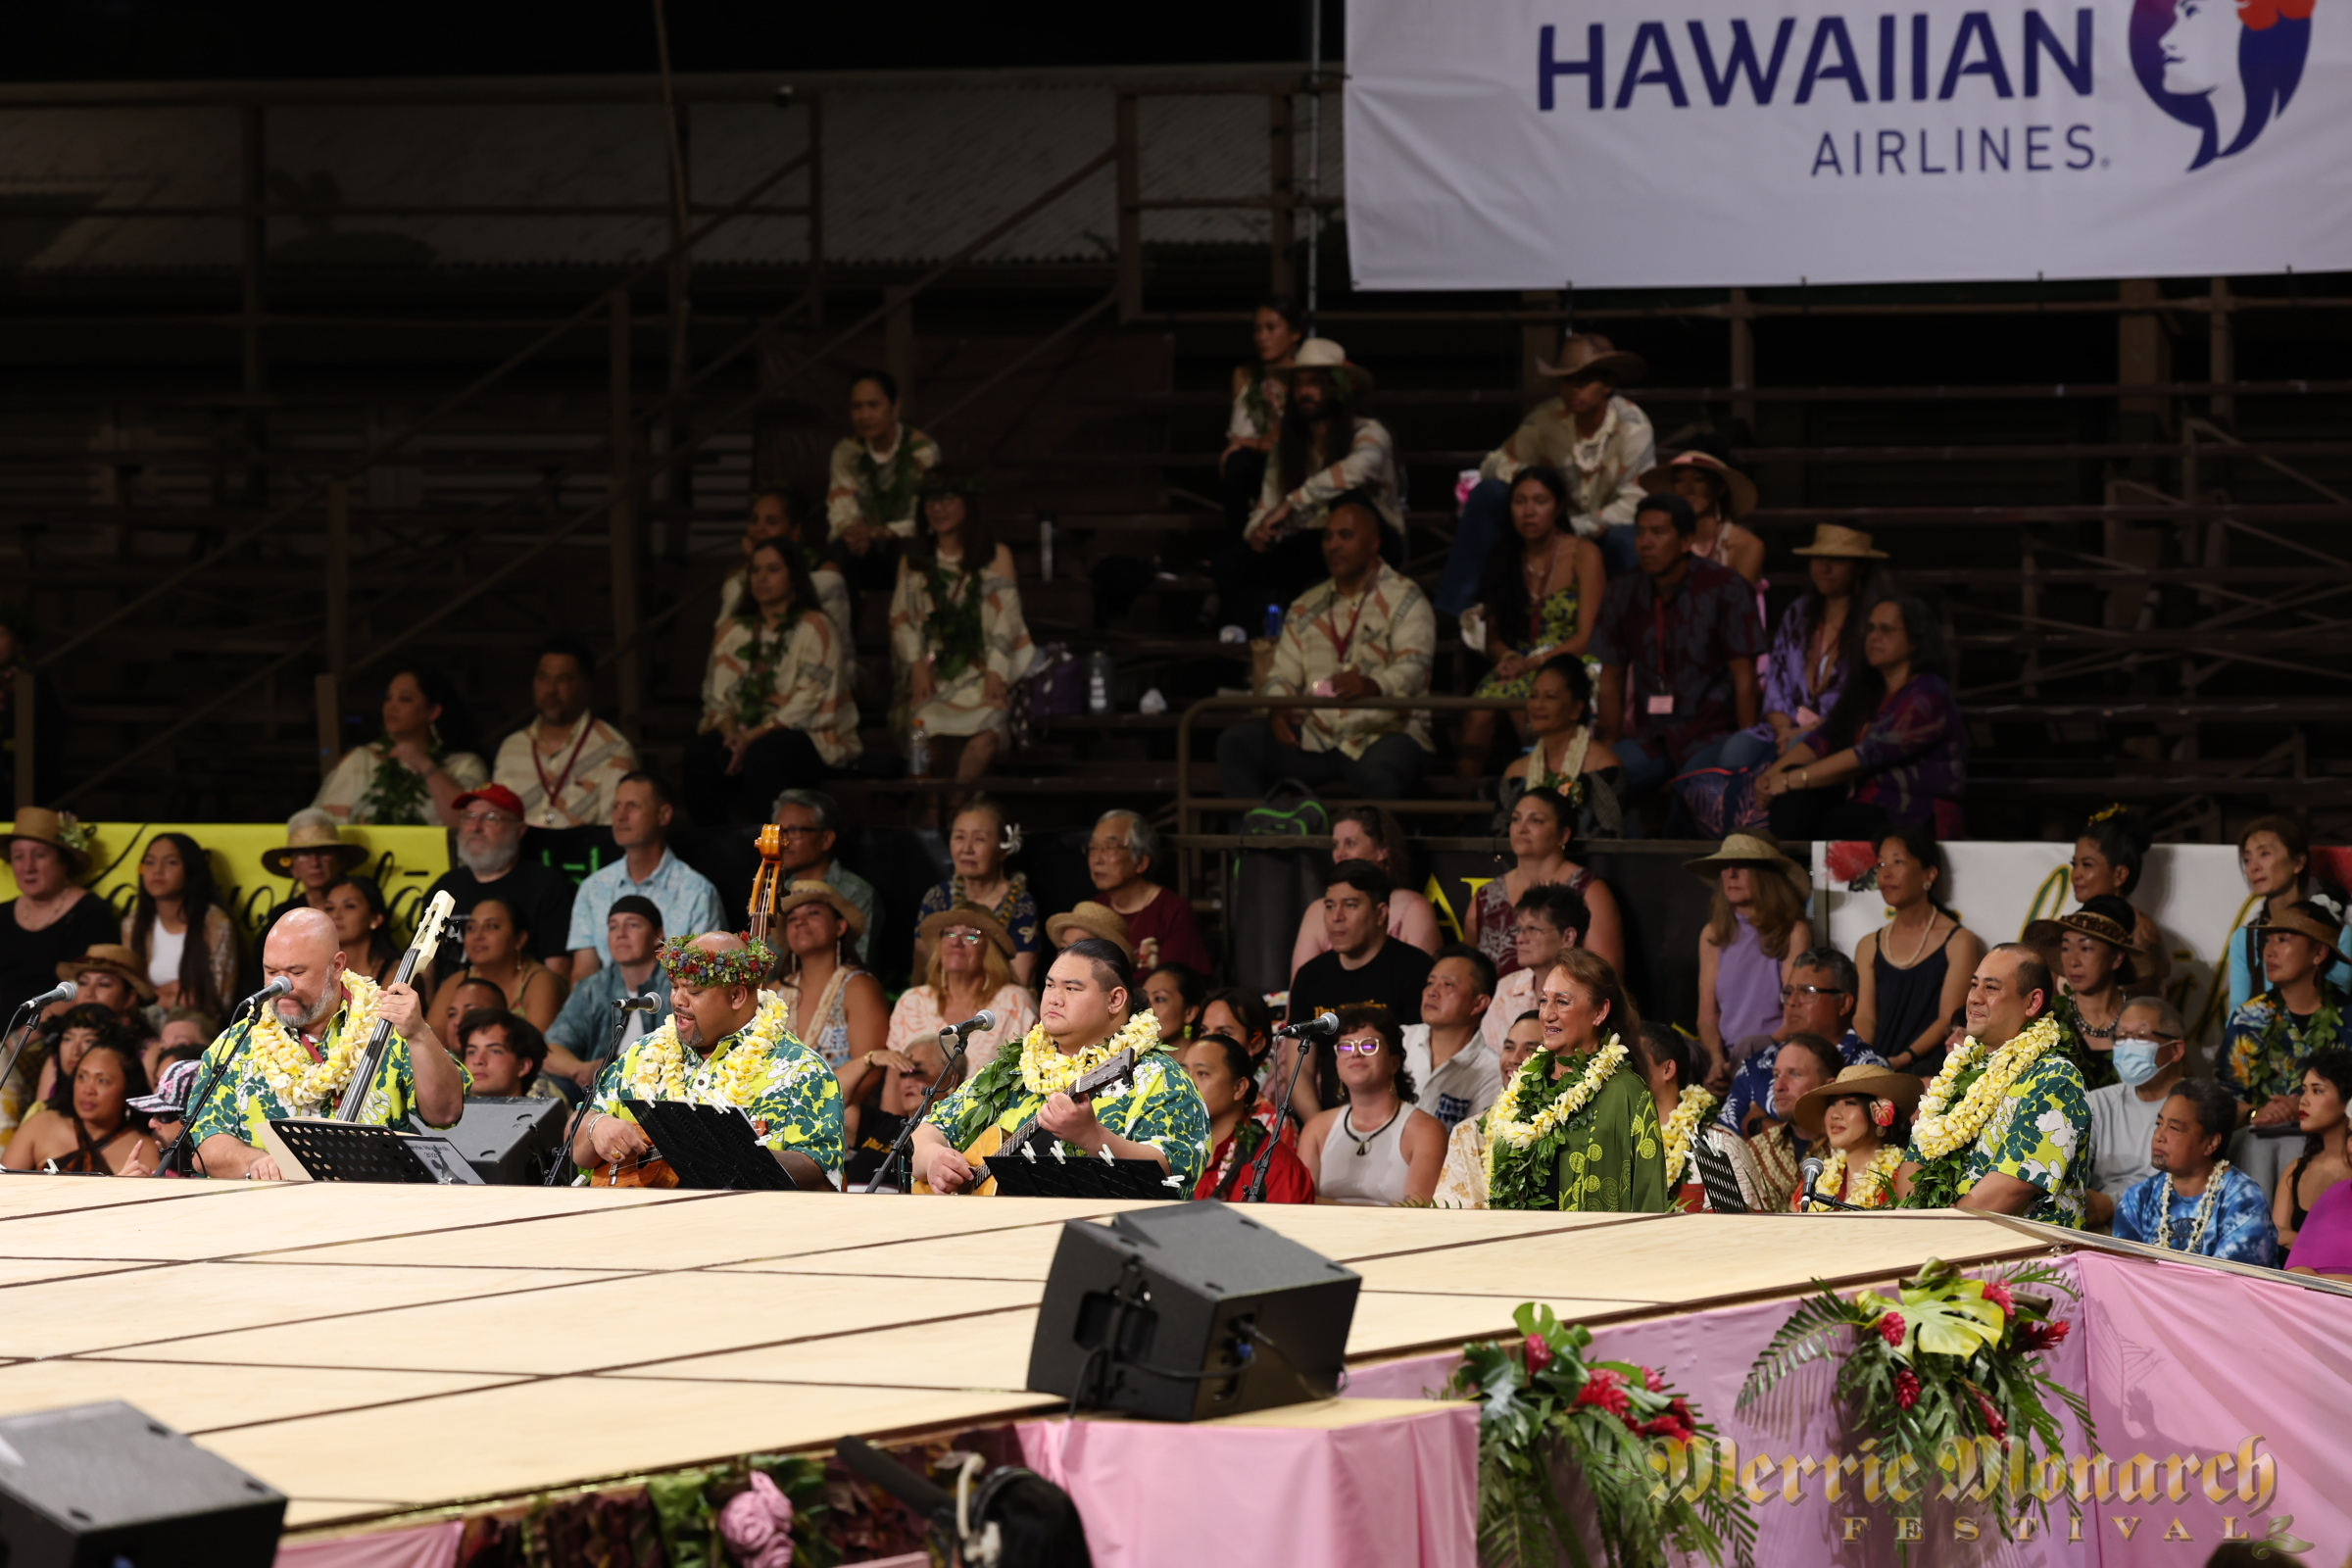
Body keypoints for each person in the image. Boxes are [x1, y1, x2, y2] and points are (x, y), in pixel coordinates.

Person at [912, 937, 1210, 1194]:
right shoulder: (1014, 1068)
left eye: (1072, 988)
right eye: (1050, 985)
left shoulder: (1160, 1077)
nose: (1054, 998)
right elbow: (929, 1131)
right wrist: (934, 1157)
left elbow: (1173, 1172)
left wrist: (1093, 1138)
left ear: (1115, 1000)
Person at [190, 908, 466, 1179]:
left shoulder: (390, 1025)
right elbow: (204, 1142)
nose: (282, 985)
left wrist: (418, 1034)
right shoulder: (235, 1045)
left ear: (336, 966)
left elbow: (444, 1113)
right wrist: (257, 1162)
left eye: (296, 972)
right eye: (272, 971)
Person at [573, 932, 844, 1186]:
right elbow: (575, 1140)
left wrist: (732, 1153)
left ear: (736, 995)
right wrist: (596, 1125)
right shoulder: (643, 1053)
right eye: (675, 987)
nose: (678, 1000)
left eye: (694, 992)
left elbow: (821, 1170)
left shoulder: (800, 1070)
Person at [1217, 498, 1435, 804]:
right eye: (1328, 536)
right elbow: (1282, 675)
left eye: (1345, 536)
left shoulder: (1406, 599)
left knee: (1385, 769)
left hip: (1381, 733)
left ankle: (1368, 850)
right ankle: (1255, 846)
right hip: (1315, 736)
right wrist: (1277, 708)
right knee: (1237, 743)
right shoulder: (1306, 606)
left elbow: (1414, 668)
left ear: (1373, 544)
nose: (1333, 545)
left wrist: (1373, 685)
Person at [1437, 332, 1654, 611]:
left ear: (1608, 384)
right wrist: (1532, 483)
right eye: (1567, 380)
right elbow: (1493, 463)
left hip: (1601, 532)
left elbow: (1635, 501)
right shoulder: (1546, 418)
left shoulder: (1633, 428)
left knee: (1625, 538)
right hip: (1544, 525)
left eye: (1584, 381)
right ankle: (1454, 609)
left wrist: (1575, 528)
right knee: (1488, 493)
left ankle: (1632, 628)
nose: (1574, 389)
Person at [1895, 945, 2091, 1226]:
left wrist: (1939, 1231)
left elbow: (2013, 1188)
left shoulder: (2056, 1079)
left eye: (1991, 988)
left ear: (2032, 1002)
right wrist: (1915, 1221)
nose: (1974, 998)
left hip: (2022, 1258)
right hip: (1938, 1242)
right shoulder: (1959, 1070)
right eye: (1973, 985)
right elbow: (1916, 1158)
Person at [1591, 494, 1762, 808]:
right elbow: (1611, 677)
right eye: (1640, 533)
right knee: (1596, 786)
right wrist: (1609, 745)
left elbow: (1745, 678)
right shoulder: (1622, 589)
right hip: (1651, 735)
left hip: (1712, 731)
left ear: (1686, 541)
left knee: (1692, 798)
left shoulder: (1725, 586)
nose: (1645, 543)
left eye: (1658, 533)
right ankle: (1629, 855)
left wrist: (1746, 746)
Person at [1756, 592, 1965, 841]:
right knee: (1796, 796)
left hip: (1910, 812)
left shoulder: (1928, 692)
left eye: (1886, 630)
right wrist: (1772, 777)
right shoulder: (1868, 691)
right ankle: (1789, 873)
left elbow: (1866, 755)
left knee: (1834, 818)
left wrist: (1790, 780)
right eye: (1870, 629)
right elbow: (1823, 739)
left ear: (1914, 641)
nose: (1874, 637)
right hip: (1862, 804)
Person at [687, 537, 861, 825]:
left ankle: (769, 857)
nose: (761, 578)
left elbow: (808, 701)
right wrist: (733, 736)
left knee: (764, 756)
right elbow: (719, 698)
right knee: (700, 755)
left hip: (806, 735)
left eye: (773, 570)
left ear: (794, 576)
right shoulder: (733, 630)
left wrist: (750, 737)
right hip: (743, 731)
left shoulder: (816, 626)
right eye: (755, 570)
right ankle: (713, 852)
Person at [1483, 950, 1668, 1212]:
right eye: (1543, 1001)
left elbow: (1648, 1194)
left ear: (1599, 1012)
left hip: (1588, 1247)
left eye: (1562, 1002)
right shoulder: (1523, 1085)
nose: (1547, 1014)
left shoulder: (1624, 1090)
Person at [1234, 339, 1403, 613]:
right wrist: (1258, 531)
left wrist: (1291, 503)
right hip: (1314, 544)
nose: (1305, 392)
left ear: (1335, 388)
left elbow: (1357, 468)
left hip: (1376, 545)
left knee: (1346, 499)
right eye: (1299, 384)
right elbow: (1266, 506)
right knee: (1235, 563)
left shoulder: (1370, 433)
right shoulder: (1288, 448)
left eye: (1314, 383)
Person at [890, 471, 1035, 784]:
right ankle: (929, 814)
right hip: (933, 672)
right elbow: (902, 619)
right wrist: (916, 663)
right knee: (925, 729)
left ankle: (958, 808)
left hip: (982, 671)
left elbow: (1006, 616)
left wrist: (997, 668)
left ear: (968, 504)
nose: (938, 509)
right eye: (931, 501)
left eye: (947, 500)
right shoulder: (914, 561)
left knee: (988, 732)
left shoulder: (996, 556)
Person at [1458, 467, 1604, 777]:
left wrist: (1534, 663)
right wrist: (1509, 657)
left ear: (1559, 507)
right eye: (1520, 502)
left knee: (1525, 700)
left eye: (1540, 501)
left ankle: (1544, 791)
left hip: (1571, 660)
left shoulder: (1584, 553)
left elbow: (1586, 636)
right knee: (1479, 713)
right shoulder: (1503, 556)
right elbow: (1493, 638)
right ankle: (1463, 811)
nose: (1529, 512)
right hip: (1520, 662)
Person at [1719, 523, 1889, 776]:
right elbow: (1776, 682)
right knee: (1738, 748)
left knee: (1801, 749)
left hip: (1838, 728)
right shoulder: (1799, 612)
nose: (1824, 569)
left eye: (1837, 561)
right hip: (1785, 727)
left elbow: (1866, 699)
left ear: (1859, 567)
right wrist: (1784, 730)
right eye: (1818, 559)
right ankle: (1737, 813)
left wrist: (1806, 732)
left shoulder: (1873, 622)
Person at [1285, 863, 1436, 1106]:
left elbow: (1422, 1062)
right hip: (1329, 1120)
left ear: (1381, 913)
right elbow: (1298, 1070)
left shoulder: (1416, 970)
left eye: (1351, 905)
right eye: (1330, 906)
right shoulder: (1310, 975)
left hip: (1401, 1116)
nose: (1336, 917)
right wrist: (1323, 1128)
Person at [1853, 824, 1984, 1081]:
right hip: (1879, 1069)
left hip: (1931, 1073)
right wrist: (1865, 1059)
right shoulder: (1869, 944)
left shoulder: (1958, 941)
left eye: (1897, 861)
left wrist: (1902, 1059)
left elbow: (1948, 1018)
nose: (1886, 873)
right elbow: (1865, 1016)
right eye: (1880, 865)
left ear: (1930, 874)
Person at [566, 771, 725, 980]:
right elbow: (584, 972)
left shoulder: (697, 892)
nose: (621, 816)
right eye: (616, 806)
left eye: (633, 806)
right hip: (608, 1008)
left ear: (664, 815)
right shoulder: (593, 887)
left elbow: (705, 979)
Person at [1719, 947, 1891, 1136]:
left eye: (1806, 992)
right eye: (1788, 992)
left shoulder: (1869, 1072)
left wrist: (1761, 1125)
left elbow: (1871, 1145)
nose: (1792, 1001)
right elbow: (1721, 1141)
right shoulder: (1757, 1066)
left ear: (1843, 1003)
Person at [1691, 832, 1813, 1089]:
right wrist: (1717, 1061)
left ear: (1766, 875)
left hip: (1774, 1053)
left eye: (1742, 864)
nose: (1731, 873)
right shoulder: (1713, 934)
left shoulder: (1793, 932)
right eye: (1725, 865)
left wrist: (1750, 1056)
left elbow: (1797, 1014)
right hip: (1724, 1057)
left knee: (1749, 1047)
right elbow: (1706, 1015)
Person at [2113, 1080, 2278, 1265]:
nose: (2159, 1135)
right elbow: (2122, 1272)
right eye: (2159, 1123)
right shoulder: (2138, 1198)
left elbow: (2235, 1285)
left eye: (2174, 1128)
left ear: (2210, 1143)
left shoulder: (2243, 1200)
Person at [424, 784, 578, 979]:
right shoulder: (445, 887)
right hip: (450, 1004)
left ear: (520, 830)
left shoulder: (545, 885)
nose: (476, 827)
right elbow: (424, 965)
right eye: (469, 816)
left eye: (490, 818)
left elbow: (558, 969)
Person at [1298, 1004, 1446, 1205]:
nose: (1355, 1054)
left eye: (1369, 1046)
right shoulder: (1317, 1128)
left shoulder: (1426, 1130)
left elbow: (1415, 1213)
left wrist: (1328, 1205)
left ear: (1394, 1062)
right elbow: (1301, 1204)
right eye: (1346, 1047)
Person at [2220, 898, 2347, 1127]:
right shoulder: (2248, 1019)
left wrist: (2304, 1107)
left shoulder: (2348, 1019)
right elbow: (2222, 1099)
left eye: (2283, 940)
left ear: (2319, 952)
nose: (2268, 952)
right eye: (2267, 941)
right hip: (2262, 1150)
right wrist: (2257, 1114)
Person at [1469, 787, 1622, 979]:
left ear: (1563, 835)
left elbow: (1606, 976)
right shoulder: (1487, 895)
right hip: (1498, 1006)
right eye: (1516, 819)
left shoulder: (1588, 890)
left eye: (1536, 820)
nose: (1521, 828)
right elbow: (1469, 972)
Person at [488, 637, 638, 831]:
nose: (550, 690)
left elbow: (613, 833)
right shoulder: (512, 747)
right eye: (543, 678)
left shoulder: (613, 750)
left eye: (563, 680)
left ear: (586, 686)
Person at [315, 665, 488, 827]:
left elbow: (468, 822)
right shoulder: (362, 759)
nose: (391, 706)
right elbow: (319, 822)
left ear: (433, 711)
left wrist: (425, 765)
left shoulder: (463, 764)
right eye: (388, 698)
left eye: (405, 699)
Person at [884, 903, 1037, 1080]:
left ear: (990, 949)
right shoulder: (912, 1002)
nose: (956, 942)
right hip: (920, 1108)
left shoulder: (1014, 1001)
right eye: (949, 933)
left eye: (971, 936)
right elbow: (895, 1087)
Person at [1634, 1022, 1769, 1213]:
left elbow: (1735, 1235)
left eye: (1634, 1059)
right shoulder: (1618, 1144)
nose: (1623, 1069)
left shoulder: (1715, 1147)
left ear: (1667, 1070)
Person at [1289, 806, 1442, 974]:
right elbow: (1300, 988)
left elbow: (1422, 985)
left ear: (1382, 850)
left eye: (1350, 843)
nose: (1340, 854)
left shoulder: (1413, 908)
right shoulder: (1317, 911)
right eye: (1336, 845)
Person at [0, 808, 118, 1026]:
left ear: (64, 862)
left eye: (40, 855)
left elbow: (86, 990)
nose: (28, 867)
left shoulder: (91, 913)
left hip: (48, 1034)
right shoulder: (3, 913)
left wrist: (23, 1038)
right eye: (18, 857)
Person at [2084, 996, 2191, 1233]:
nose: (2128, 1045)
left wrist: (2112, 1204)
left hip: (2167, 1227)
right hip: (2100, 1227)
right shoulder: (2099, 1102)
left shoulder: (2197, 1106)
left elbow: (2187, 1187)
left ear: (2175, 1050)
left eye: (2141, 1037)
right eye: (2122, 1036)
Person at [2226, 815, 2352, 1014]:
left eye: (2264, 854)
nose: (2253, 867)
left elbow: (2337, 1011)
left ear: (2299, 862)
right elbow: (2237, 1013)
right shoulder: (2246, 937)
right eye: (2247, 859)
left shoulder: (2336, 934)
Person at [2024, 895, 2147, 1093]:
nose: (2073, 961)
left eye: (2086, 948)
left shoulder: (2145, 1019)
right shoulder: (2048, 1025)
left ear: (2116, 959)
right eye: (2065, 948)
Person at [547, 896, 671, 1090]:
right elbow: (551, 1048)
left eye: (633, 925)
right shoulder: (594, 987)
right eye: (613, 927)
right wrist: (582, 1069)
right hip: (598, 1090)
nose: (621, 934)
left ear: (658, 935)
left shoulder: (676, 984)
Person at [915, 798, 1042, 987]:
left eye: (979, 839)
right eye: (959, 837)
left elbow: (1021, 982)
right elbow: (920, 973)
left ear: (1003, 850)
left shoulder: (1021, 904)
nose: (967, 849)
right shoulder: (938, 898)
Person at [1183, 1031, 1316, 1203]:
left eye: (1202, 1073)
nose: (1186, 1083)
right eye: (1183, 1072)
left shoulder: (1276, 1168)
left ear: (1239, 1087)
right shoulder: (1172, 1151)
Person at [1499, 655, 1623, 840]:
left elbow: (1607, 842)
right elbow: (1500, 841)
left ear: (1576, 708)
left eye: (1551, 697)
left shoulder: (1603, 767)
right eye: (1534, 696)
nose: (1538, 705)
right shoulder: (1515, 773)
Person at [826, 369, 941, 566]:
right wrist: (853, 532)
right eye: (857, 407)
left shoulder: (922, 451)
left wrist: (885, 532)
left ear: (895, 406)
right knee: (838, 552)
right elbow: (841, 509)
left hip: (907, 540)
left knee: (910, 550)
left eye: (873, 405)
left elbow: (926, 516)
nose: (864, 415)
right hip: (866, 542)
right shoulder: (847, 453)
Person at [1432, 1009, 1544, 1209]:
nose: (1514, 1058)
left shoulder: (1567, 1123)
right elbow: (1449, 1218)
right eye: (1509, 1048)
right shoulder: (1470, 1132)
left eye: (1530, 1049)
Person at [1083, 809, 1209, 985]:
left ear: (1141, 861)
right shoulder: (1093, 909)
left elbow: (1180, 986)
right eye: (1093, 847)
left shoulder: (1173, 910)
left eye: (1110, 847)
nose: (1097, 859)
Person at [718, 487, 852, 652]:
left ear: (795, 532)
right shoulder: (739, 575)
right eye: (754, 520)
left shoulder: (825, 573)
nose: (759, 529)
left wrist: (758, 558)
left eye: (772, 522)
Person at [1217, 295, 1306, 539]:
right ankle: (1237, 546)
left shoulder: (1308, 376)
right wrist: (1252, 444)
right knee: (1238, 463)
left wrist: (1255, 443)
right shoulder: (1246, 375)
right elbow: (1238, 436)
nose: (1261, 337)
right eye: (1257, 329)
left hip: (1298, 462)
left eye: (1271, 328)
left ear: (1295, 333)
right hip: (1258, 462)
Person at [773, 881, 887, 1072]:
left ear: (840, 927)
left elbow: (869, 1071)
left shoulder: (859, 987)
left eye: (813, 913)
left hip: (842, 1101)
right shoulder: (774, 992)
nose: (800, 921)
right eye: (792, 918)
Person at [122, 832, 236, 1018]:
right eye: (150, 862)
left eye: (171, 862)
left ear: (191, 870)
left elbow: (220, 1002)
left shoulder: (215, 924)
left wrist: (156, 996)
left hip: (199, 1032)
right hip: (144, 1029)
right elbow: (130, 996)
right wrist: (169, 997)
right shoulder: (132, 924)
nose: (157, 870)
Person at [1, 1040, 156, 1175]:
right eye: (82, 1076)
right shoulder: (41, 1124)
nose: (88, 1090)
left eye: (102, 1081)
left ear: (128, 1088)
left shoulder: (145, 1149)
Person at [1787, 1064, 1924, 1212]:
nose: (1835, 1114)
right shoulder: (1814, 1181)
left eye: (1849, 1103)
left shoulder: (1900, 1179)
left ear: (1880, 1114)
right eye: (1832, 1104)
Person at [1476, 883, 1590, 1060]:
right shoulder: (1506, 989)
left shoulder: (1590, 991)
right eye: (1519, 930)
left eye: (1533, 929)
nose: (1520, 939)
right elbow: (1490, 1056)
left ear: (1568, 937)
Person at [839, 1031, 965, 1190]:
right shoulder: (881, 1124)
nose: (907, 1083)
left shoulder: (958, 1136)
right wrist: (870, 1059)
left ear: (950, 1079)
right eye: (903, 1074)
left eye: (917, 1072)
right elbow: (827, 1099)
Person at [2069, 805, 2171, 995]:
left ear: (2120, 875)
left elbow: (2154, 996)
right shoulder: (2069, 924)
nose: (2076, 875)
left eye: (2087, 865)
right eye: (2074, 864)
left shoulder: (2142, 930)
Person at [427, 897, 564, 1034]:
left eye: (491, 926)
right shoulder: (456, 982)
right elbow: (430, 1040)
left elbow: (537, 1048)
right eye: (471, 927)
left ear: (520, 938)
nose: (478, 935)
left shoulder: (540, 982)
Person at [1400, 945, 1500, 1133]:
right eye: (1430, 983)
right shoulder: (1399, 1040)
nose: (1432, 992)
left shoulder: (1492, 1072)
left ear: (1479, 1003)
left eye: (1448, 985)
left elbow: (1473, 1147)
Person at [773, 790, 878, 967]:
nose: (783, 840)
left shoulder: (856, 892)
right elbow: (769, 963)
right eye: (779, 831)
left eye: (795, 831)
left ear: (826, 839)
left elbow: (858, 962)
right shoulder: (776, 889)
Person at [1744, 1033, 1846, 1211]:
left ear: (1828, 1087)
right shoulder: (1756, 1148)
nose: (1779, 1086)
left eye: (1795, 1074)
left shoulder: (1852, 1149)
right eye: (1776, 1075)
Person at [254, 809, 370, 960]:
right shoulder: (282, 916)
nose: (315, 863)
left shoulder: (362, 907)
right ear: (292, 867)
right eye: (304, 853)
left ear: (340, 860)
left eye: (323, 852)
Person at [1642, 444, 1763, 585]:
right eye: (1679, 480)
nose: (1687, 490)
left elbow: (1741, 602)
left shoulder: (1745, 545)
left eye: (1699, 479)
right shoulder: (1662, 543)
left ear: (1720, 488)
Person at [2276, 1048, 2352, 1252]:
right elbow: (2276, 1236)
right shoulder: (2296, 1170)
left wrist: (2296, 1241)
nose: (2304, 1100)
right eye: (2304, 1090)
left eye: (2317, 1090)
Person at [458, 1007, 557, 1101]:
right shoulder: (452, 1116)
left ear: (523, 1066)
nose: (478, 1060)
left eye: (495, 1051)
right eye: (472, 1052)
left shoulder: (543, 1117)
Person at [322, 875, 400, 987]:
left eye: (349, 906)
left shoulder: (397, 971)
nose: (335, 915)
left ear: (376, 918)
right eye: (330, 908)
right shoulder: (318, 969)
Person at [1143, 962, 1205, 1045]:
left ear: (1189, 1012)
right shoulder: (1127, 1054)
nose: (1147, 1010)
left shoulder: (1206, 1057)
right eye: (1144, 999)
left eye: (1160, 999)